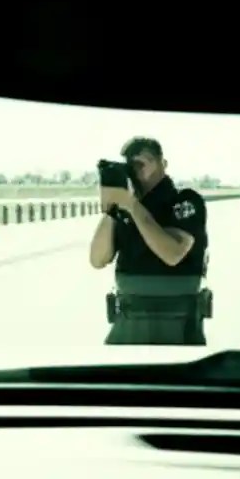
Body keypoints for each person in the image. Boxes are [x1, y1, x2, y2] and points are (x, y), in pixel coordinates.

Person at [89, 136, 209, 345]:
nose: (135, 172)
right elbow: (98, 259)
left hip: (177, 323)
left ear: (163, 164)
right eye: (129, 166)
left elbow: (172, 254)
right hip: (129, 320)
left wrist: (133, 206)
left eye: (141, 164)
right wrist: (111, 210)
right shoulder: (126, 209)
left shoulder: (185, 201)